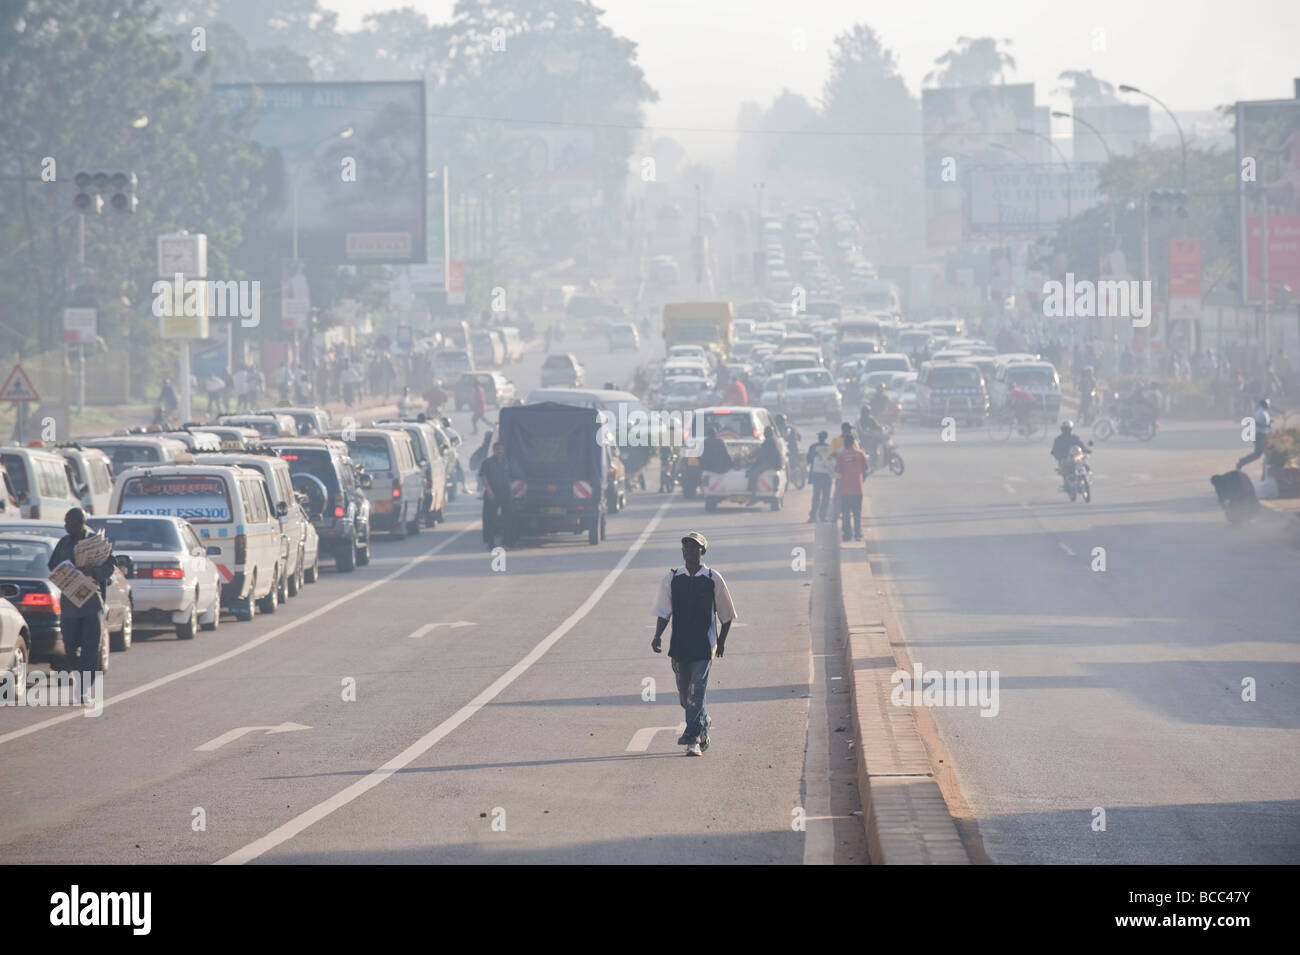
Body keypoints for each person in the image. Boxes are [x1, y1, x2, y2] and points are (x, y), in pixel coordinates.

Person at [650, 532, 738, 756]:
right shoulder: (672, 578)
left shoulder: (712, 578)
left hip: (703, 646)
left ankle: (693, 741)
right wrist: (657, 636)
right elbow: (663, 612)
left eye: (695, 548)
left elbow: (727, 615)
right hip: (679, 646)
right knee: (685, 696)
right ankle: (703, 721)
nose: (690, 552)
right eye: (686, 548)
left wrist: (721, 642)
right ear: (682, 552)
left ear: (703, 551)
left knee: (695, 692)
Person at [47, 508, 116, 704]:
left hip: (92, 604)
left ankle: (83, 689)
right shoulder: (64, 542)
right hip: (70, 604)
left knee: (90, 648)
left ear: (80, 522)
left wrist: (93, 571)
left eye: (69, 522)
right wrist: (67, 571)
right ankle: (79, 675)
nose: (65, 526)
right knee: (70, 646)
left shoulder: (95, 542)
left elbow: (110, 566)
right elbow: (52, 565)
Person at [834, 434, 870, 542]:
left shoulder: (841, 455)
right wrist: (860, 480)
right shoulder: (860, 454)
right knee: (857, 513)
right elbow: (865, 470)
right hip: (857, 489)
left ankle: (847, 535)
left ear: (845, 443)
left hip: (845, 489)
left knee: (845, 513)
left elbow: (837, 471)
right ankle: (858, 534)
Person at [478, 441, 512, 550]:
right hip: (492, 493)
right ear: (494, 450)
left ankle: (507, 541)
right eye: (498, 449)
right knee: (489, 519)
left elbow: (511, 477)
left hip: (505, 493)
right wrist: (489, 490)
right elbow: (483, 477)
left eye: (501, 449)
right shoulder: (487, 463)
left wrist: (511, 490)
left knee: (508, 517)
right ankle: (490, 542)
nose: (500, 451)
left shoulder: (507, 462)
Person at [746, 426, 783, 505]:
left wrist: (753, 464)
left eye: (765, 432)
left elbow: (762, 456)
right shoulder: (774, 440)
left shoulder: (770, 441)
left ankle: (753, 496)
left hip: (772, 464)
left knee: (753, 474)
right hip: (775, 463)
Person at [1237, 399, 1271, 475]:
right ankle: (1242, 462)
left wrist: (1268, 424)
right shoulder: (1260, 413)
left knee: (1262, 453)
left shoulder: (1264, 412)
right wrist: (1266, 425)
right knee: (1260, 454)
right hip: (1259, 435)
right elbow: (1256, 423)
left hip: (1262, 434)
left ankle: (1265, 472)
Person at [806, 430, 833, 523]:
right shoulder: (830, 447)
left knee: (816, 496)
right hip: (827, 475)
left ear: (819, 438)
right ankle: (823, 516)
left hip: (816, 475)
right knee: (826, 497)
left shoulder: (813, 447)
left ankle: (813, 516)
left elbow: (808, 460)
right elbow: (833, 461)